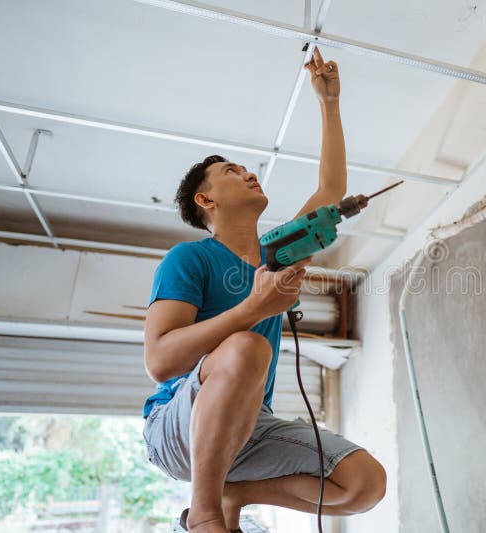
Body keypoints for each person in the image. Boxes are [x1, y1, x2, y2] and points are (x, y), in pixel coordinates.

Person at [141, 47, 386, 533]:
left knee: (364, 484)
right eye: (232, 172)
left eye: (246, 167)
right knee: (247, 348)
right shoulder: (189, 259)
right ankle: (205, 514)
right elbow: (160, 362)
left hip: (251, 426)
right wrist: (251, 309)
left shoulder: (280, 254)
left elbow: (330, 190)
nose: (249, 172)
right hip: (178, 426)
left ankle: (234, 492)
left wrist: (329, 103)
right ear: (205, 200)